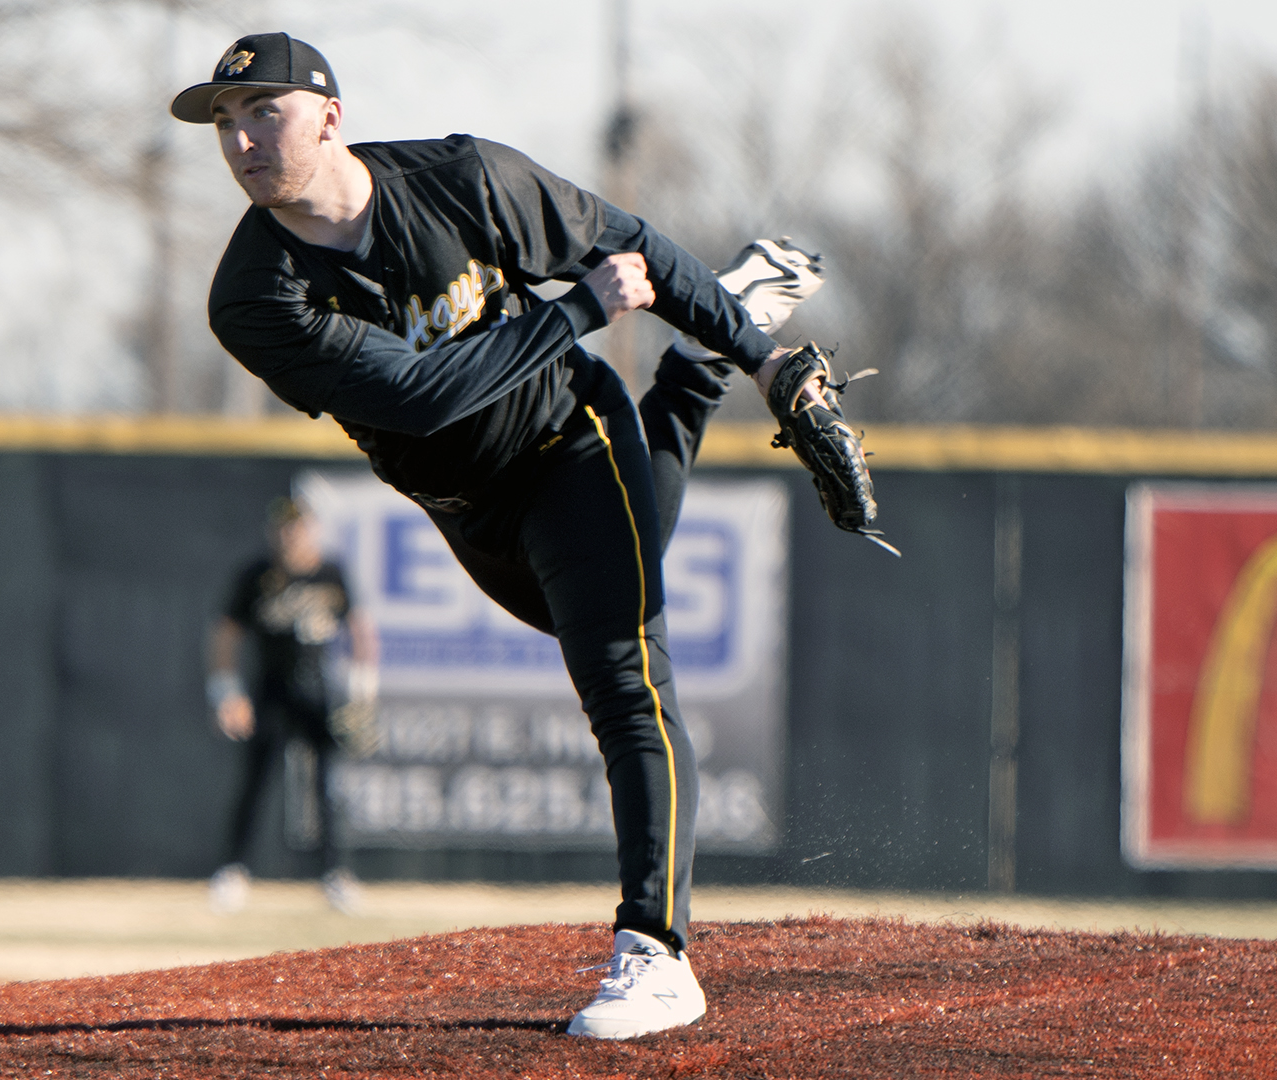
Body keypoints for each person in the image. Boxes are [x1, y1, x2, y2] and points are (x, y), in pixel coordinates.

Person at [170, 32, 826, 1040]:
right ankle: (695, 374)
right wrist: (574, 314)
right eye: (225, 119)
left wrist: (765, 362)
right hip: (470, 508)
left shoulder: (465, 178)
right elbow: (418, 397)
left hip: (571, 437)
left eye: (265, 109)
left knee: (623, 673)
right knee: (618, 587)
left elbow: (632, 241)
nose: (242, 137)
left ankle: (657, 954)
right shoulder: (255, 296)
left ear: (330, 115)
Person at [206, 496, 379, 916]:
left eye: (299, 527)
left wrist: (361, 692)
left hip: (317, 690)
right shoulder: (257, 576)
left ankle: (335, 875)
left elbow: (360, 632)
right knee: (255, 782)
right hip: (270, 688)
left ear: (312, 530)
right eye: (285, 528)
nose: (291, 535)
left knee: (325, 786)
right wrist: (226, 692)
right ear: (274, 532)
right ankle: (233, 871)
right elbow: (226, 636)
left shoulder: (330, 573)